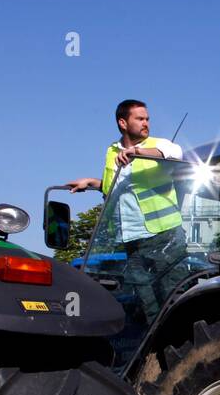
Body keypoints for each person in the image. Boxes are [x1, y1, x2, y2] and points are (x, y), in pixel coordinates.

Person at [68, 99, 186, 324]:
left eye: (147, 119)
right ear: (123, 123)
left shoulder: (157, 145)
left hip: (164, 236)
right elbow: (118, 186)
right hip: (130, 239)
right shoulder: (111, 151)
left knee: (173, 298)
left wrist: (138, 152)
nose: (146, 123)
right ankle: (155, 353)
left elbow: (174, 153)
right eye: (140, 119)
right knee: (148, 304)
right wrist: (92, 183)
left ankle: (183, 348)